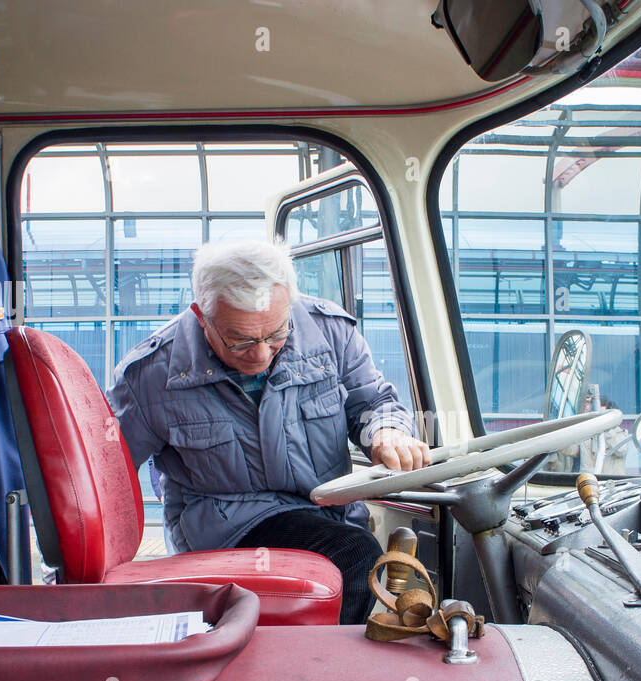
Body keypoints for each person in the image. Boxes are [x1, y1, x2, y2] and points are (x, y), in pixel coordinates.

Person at [107, 239, 429, 624]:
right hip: (225, 532)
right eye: (240, 341)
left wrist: (388, 431)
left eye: (275, 335)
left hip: (331, 514)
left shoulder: (331, 332)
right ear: (201, 316)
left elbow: (375, 403)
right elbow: (106, 480)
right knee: (352, 554)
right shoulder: (150, 375)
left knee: (353, 551)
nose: (260, 355)